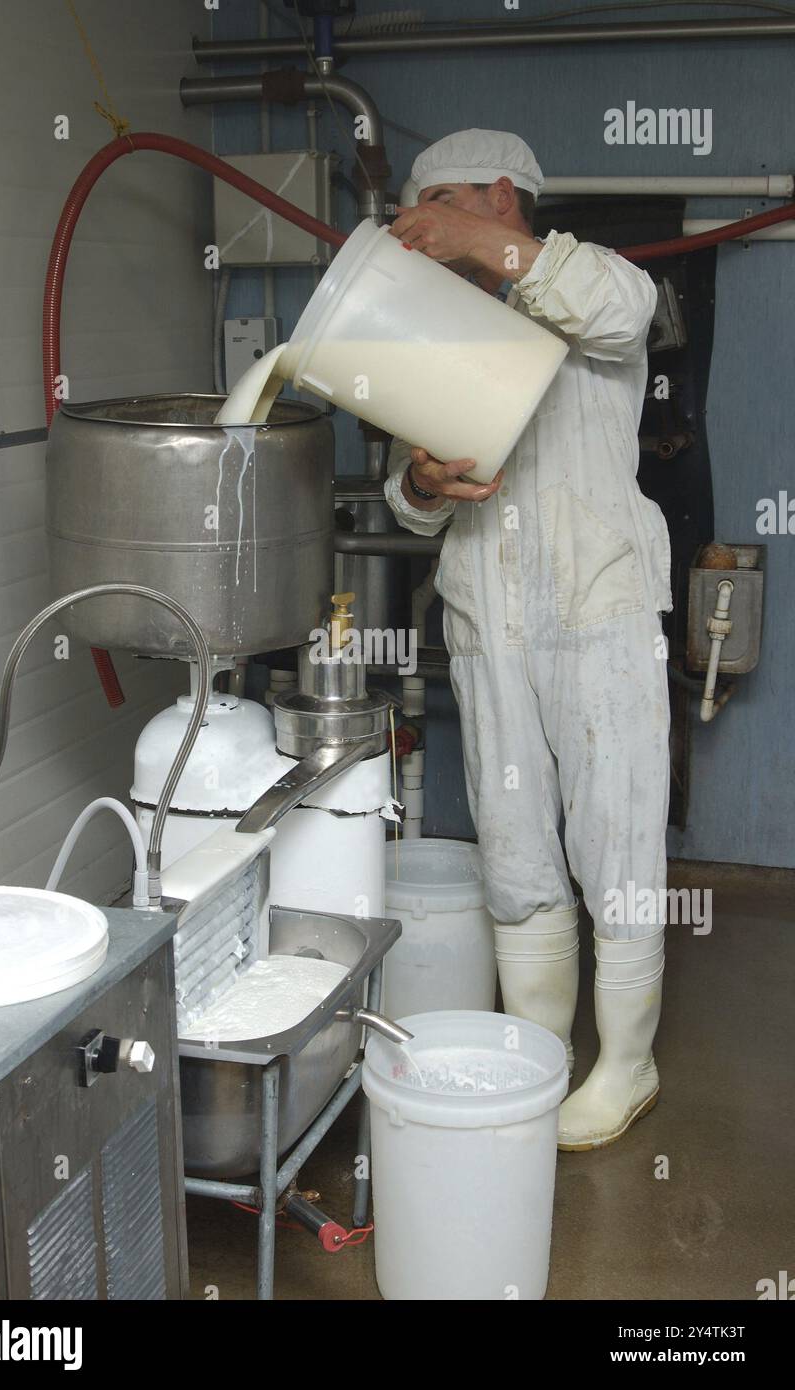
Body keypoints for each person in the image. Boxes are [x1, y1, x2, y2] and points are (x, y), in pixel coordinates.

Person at [383, 129, 671, 1149]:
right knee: (514, 846)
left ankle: (627, 1064)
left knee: (617, 829)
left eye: (443, 208)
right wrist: (418, 484)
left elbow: (625, 308)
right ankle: (540, 1048)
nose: (424, 235)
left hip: (598, 609)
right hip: (487, 615)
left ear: (501, 197)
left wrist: (484, 245)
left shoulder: (587, 283)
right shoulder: (431, 327)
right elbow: (408, 490)